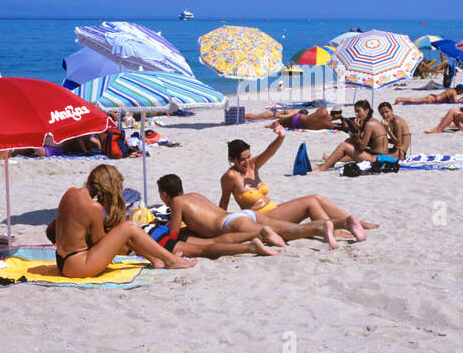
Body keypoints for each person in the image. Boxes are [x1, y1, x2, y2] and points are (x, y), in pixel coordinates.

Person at [221, 129, 374, 241]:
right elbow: (224, 201)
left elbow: (270, 151)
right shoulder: (230, 176)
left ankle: (354, 223)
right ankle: (335, 229)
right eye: (242, 159)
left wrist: (281, 136)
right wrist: (218, 225)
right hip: (261, 218)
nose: (247, 162)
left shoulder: (252, 166)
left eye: (248, 157)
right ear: (232, 159)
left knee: (316, 197)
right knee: (310, 202)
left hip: (275, 211)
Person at [51, 164, 197, 276]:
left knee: (123, 230)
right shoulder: (93, 207)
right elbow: (97, 242)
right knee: (128, 227)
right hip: (78, 266)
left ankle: (157, 260)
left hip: (62, 261)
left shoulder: (70, 193)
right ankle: (171, 260)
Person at [155, 174, 334, 252]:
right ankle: (331, 224)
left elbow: (173, 234)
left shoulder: (177, 202)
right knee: (290, 227)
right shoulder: (194, 195)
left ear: (164, 194)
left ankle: (318, 228)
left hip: (230, 225)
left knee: (284, 232)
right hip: (241, 216)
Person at [316, 100, 388, 171]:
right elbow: (369, 143)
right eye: (355, 112)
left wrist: (358, 130)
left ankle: (323, 168)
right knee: (349, 141)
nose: (356, 114)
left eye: (358, 111)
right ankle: (330, 163)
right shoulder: (370, 121)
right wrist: (355, 136)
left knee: (343, 146)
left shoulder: (369, 124)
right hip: (376, 155)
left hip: (377, 159)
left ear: (367, 110)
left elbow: (362, 147)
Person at [244, 105, 338, 130]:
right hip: (271, 114)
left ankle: (241, 115)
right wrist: (276, 116)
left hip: (272, 114)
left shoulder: (295, 113)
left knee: (254, 116)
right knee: (254, 116)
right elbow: (283, 117)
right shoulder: (293, 113)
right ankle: (241, 115)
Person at [398, 85, 463, 104]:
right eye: (462, 92)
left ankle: (400, 99)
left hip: (433, 97)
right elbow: (455, 101)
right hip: (432, 99)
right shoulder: (454, 92)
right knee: (414, 100)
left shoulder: (451, 90)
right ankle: (399, 99)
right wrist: (462, 99)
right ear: (459, 90)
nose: (461, 93)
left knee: (415, 100)